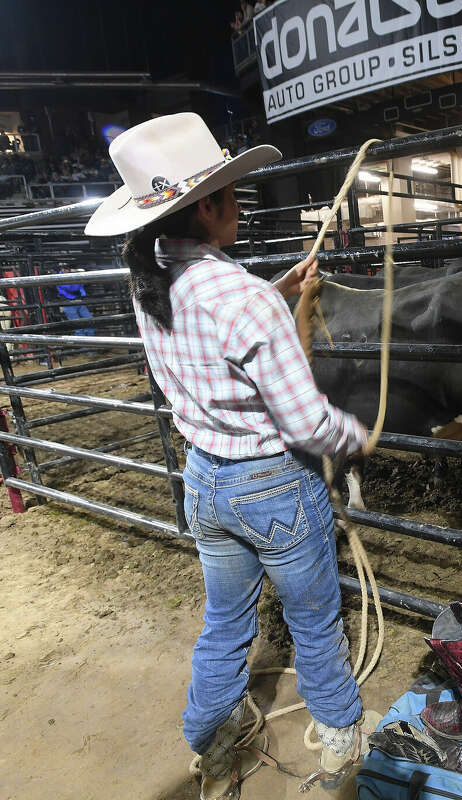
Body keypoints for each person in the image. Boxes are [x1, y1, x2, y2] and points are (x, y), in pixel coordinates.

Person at [83, 112, 377, 799]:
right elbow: (306, 422)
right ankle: (339, 744)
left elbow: (216, 326)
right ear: (208, 205)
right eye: (232, 195)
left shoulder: (149, 281)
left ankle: (208, 739)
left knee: (225, 622)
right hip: (274, 485)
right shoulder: (243, 302)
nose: (240, 206)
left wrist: (278, 292)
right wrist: (355, 438)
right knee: (313, 619)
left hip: (205, 481)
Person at [56, 269, 95, 336]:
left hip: (77, 301)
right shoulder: (59, 277)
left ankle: (90, 342)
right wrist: (80, 276)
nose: (67, 269)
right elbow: (71, 288)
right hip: (68, 303)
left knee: (89, 322)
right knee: (78, 326)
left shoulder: (69, 275)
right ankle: (86, 344)